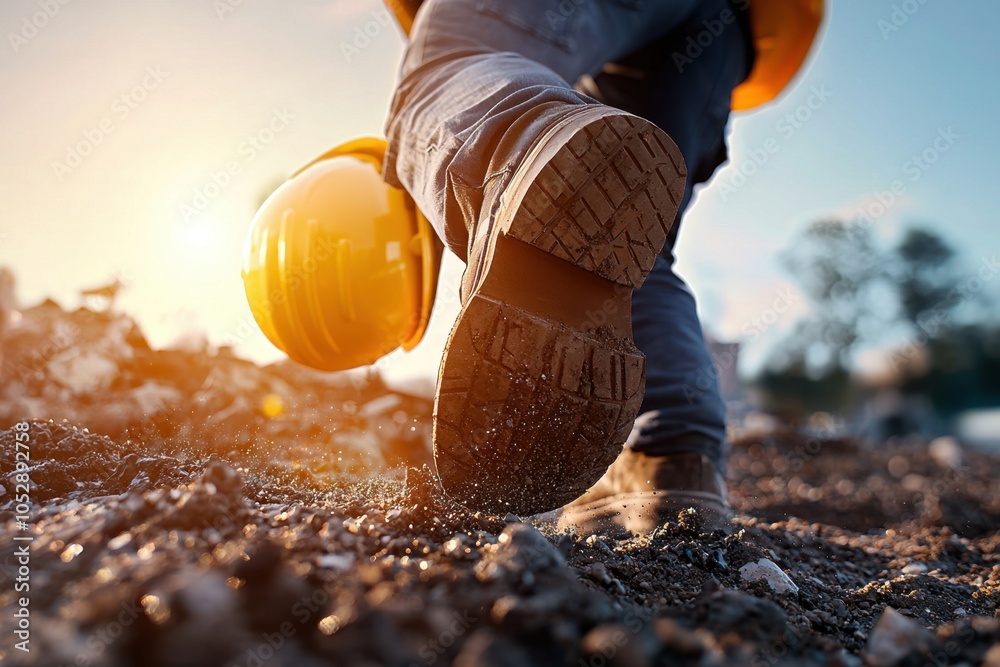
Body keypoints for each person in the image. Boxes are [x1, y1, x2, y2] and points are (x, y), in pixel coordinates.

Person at [382, 0, 823, 532]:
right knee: (629, 252)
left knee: (451, 64)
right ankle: (673, 455)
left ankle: (517, 148)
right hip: (733, 25)